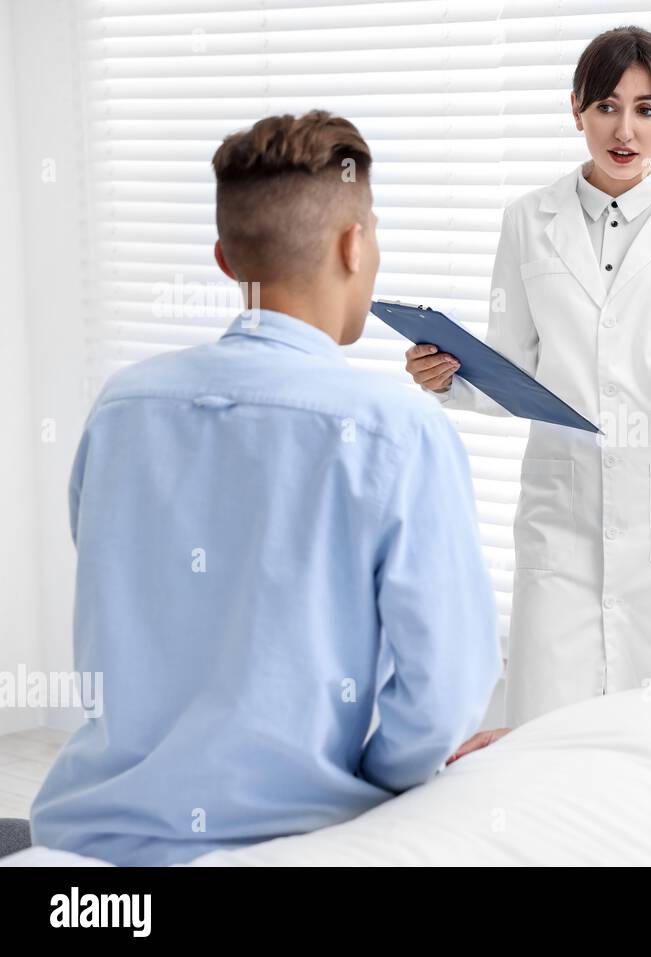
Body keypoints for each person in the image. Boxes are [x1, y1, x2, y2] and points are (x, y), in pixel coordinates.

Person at [28, 111, 500, 866]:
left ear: (223, 258)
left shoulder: (122, 407)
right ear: (354, 244)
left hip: (89, 842)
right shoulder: (397, 431)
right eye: (371, 230)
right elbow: (445, 699)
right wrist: (362, 788)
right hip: (302, 838)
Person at [405, 25, 651, 730]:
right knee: (547, 740)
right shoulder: (528, 221)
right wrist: (449, 376)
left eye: (647, 109)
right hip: (564, 525)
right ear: (575, 107)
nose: (625, 129)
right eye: (607, 106)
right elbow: (512, 365)